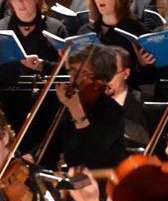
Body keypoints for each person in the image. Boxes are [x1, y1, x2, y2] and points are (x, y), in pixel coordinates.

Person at [56, 42, 130, 171]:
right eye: (72, 70)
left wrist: (76, 110)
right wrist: (33, 156)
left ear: (100, 78)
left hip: (102, 182)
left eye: (84, 72)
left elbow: (91, 153)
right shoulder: (72, 102)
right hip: (74, 179)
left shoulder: (112, 110)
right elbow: (55, 142)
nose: (74, 78)